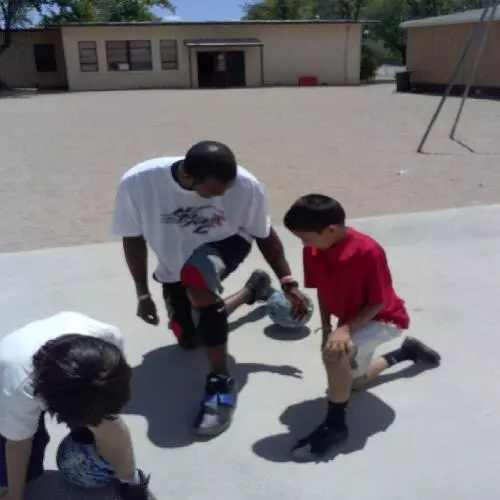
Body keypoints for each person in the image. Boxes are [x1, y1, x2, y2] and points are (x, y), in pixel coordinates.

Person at [112, 140, 310, 437]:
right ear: (189, 177)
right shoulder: (138, 183)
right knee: (191, 338)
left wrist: (288, 282)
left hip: (227, 243)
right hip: (174, 264)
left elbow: (264, 235)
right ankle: (251, 290)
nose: (224, 195)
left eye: (228, 187)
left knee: (197, 280)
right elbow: (133, 238)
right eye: (217, 190)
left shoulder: (247, 186)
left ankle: (220, 381)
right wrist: (143, 293)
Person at [283, 194, 441, 462]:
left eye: (306, 238)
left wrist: (343, 330)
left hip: (383, 319)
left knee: (334, 355)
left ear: (331, 230)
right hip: (349, 320)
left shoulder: (368, 251)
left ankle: (335, 427)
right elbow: (321, 288)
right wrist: (327, 327)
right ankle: (405, 354)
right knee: (351, 384)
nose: (304, 244)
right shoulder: (314, 249)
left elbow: (378, 302)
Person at [0, 311, 150, 500]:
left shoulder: (107, 338)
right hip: (10, 381)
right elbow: (17, 444)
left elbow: (111, 390)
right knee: (14, 476)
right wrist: (15, 494)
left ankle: (130, 481)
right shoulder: (16, 389)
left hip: (57, 369)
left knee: (106, 420)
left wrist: (97, 417)